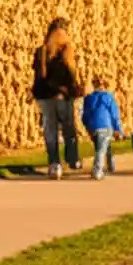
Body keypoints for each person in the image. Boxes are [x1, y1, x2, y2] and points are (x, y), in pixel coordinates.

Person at [31, 17, 82, 180]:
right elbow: (71, 75)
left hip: (46, 96)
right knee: (68, 129)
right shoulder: (67, 50)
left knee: (50, 131)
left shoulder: (42, 51)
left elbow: (38, 74)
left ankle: (54, 162)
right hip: (62, 96)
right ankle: (72, 158)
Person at [81, 76, 125, 180]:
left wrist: (88, 127)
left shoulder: (89, 98)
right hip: (106, 126)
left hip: (94, 128)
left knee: (102, 146)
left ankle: (110, 165)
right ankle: (98, 170)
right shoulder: (109, 97)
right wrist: (118, 129)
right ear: (104, 85)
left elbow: (85, 115)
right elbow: (114, 115)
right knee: (101, 149)